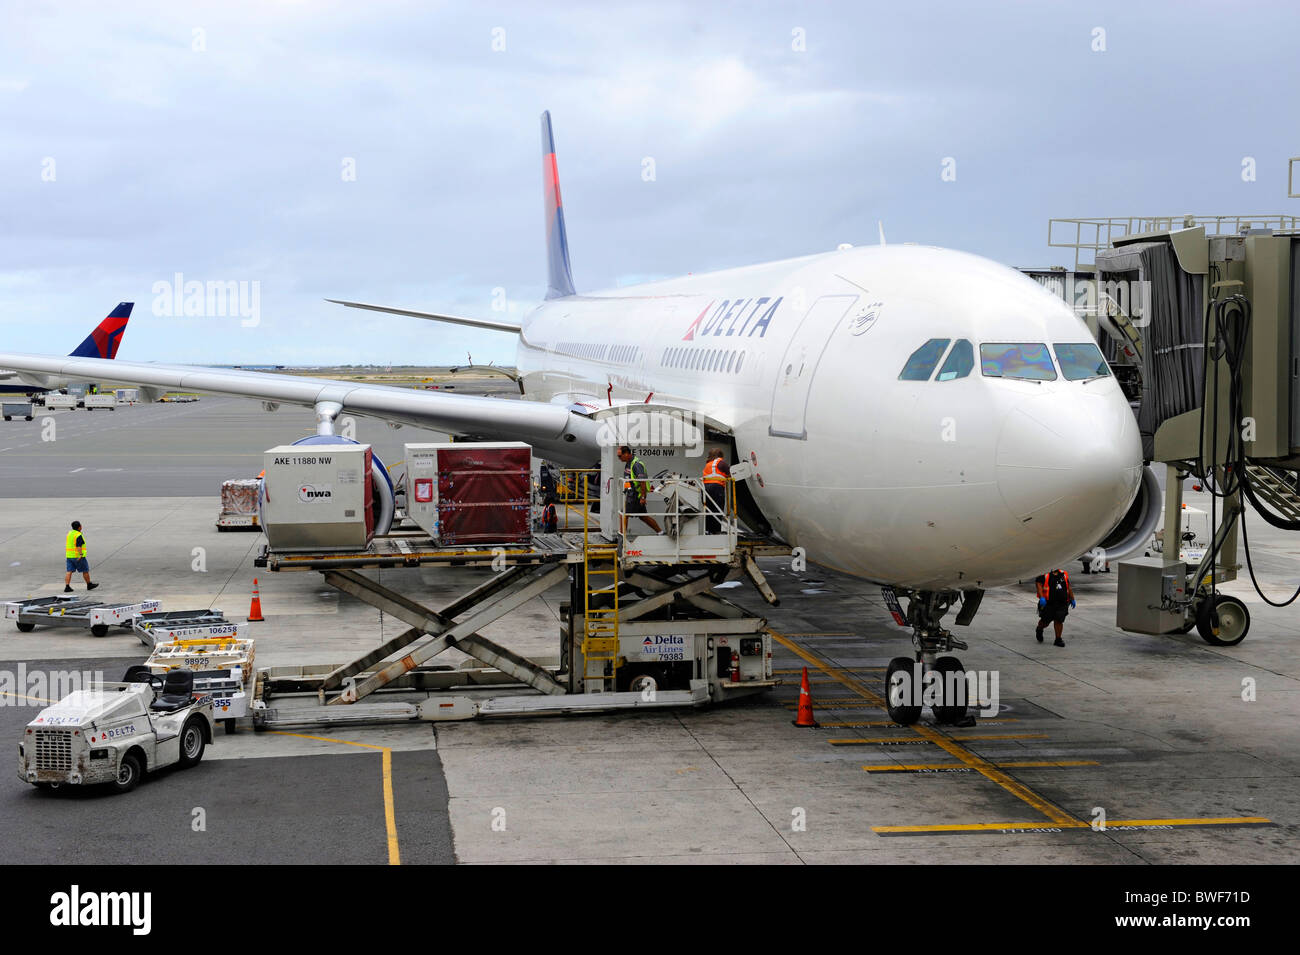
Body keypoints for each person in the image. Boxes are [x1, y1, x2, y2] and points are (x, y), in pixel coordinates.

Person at [617, 445, 661, 535]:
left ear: (626, 454)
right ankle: (660, 532)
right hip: (631, 494)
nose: (619, 458)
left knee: (623, 514)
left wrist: (643, 497)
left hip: (636, 495)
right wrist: (627, 490)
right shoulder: (628, 462)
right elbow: (629, 479)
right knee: (643, 516)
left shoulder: (636, 464)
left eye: (620, 456)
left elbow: (642, 482)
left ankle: (622, 539)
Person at [1034, 568, 1074, 647]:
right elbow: (1038, 583)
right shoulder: (1044, 573)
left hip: (1062, 603)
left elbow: (1068, 586)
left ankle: (1058, 639)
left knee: (1059, 621)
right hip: (1048, 603)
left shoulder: (1063, 574)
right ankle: (1039, 629)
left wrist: (1072, 598)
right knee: (1045, 622)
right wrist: (1042, 597)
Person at [63, 520, 99, 593]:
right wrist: (81, 555)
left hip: (69, 556)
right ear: (79, 527)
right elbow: (78, 546)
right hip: (77, 556)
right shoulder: (78, 535)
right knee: (85, 570)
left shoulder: (69, 533)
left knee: (69, 571)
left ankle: (67, 586)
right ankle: (89, 584)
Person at [702, 448, 730, 534]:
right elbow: (730, 473)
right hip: (716, 488)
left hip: (705, 488)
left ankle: (707, 530)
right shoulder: (720, 462)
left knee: (708, 510)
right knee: (717, 509)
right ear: (720, 455)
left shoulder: (708, 464)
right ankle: (716, 531)